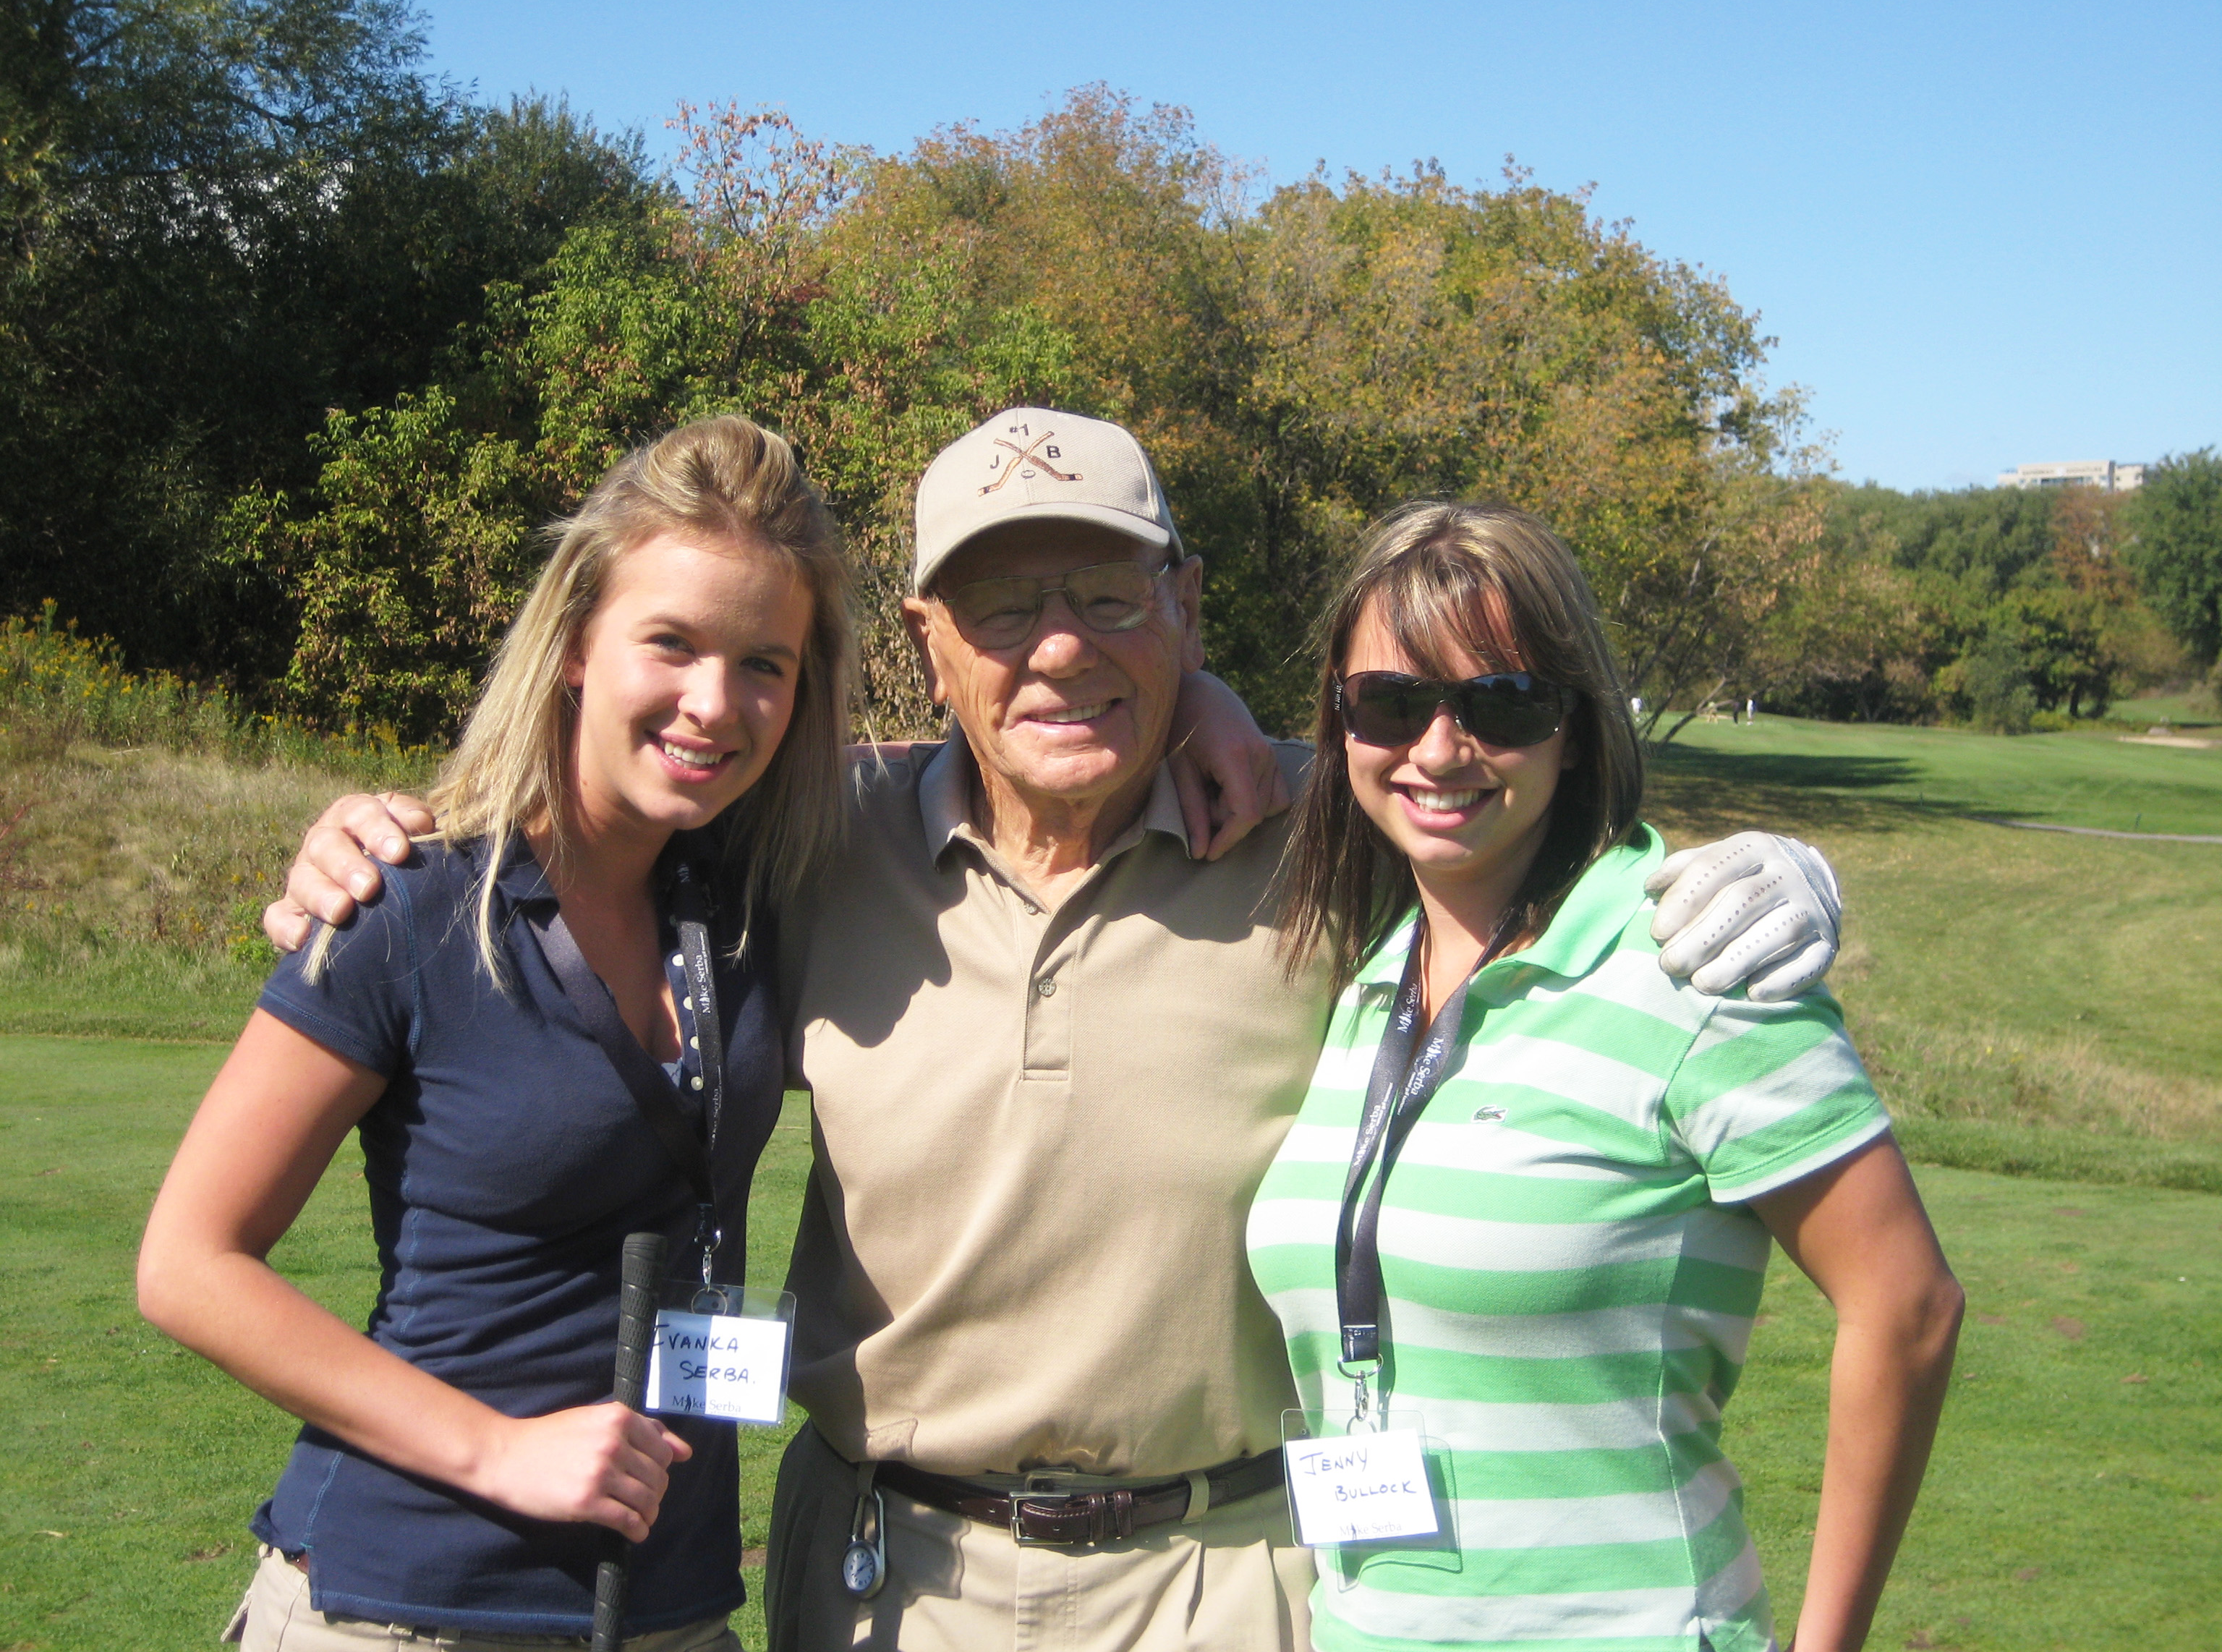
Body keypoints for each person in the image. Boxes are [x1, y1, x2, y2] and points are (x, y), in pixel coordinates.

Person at [263, 409, 1851, 1652]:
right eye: (1004, 604)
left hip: (1230, 1578)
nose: (1062, 644)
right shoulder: (810, 843)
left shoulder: (1324, 831)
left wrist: (1770, 867)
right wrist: (384, 832)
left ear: (1188, 602)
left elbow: (1524, 816)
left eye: (1109, 593)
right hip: (890, 1571)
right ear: (924, 636)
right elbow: (593, 816)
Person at [138, 416, 856, 1650]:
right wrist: (501, 1451)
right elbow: (188, 1265)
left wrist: (1211, 718)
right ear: (578, 643)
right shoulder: (405, 900)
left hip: (669, 1606)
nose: (714, 703)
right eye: (670, 644)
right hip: (406, 1604)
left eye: (764, 665)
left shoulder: (749, 898)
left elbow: (1025, 761)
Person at [1250, 502, 1964, 1652]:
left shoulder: (1698, 961)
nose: (1439, 749)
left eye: (1503, 704)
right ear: (1338, 721)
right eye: (1391, 701)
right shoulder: (1365, 977)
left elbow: (1910, 1307)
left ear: (1575, 728)